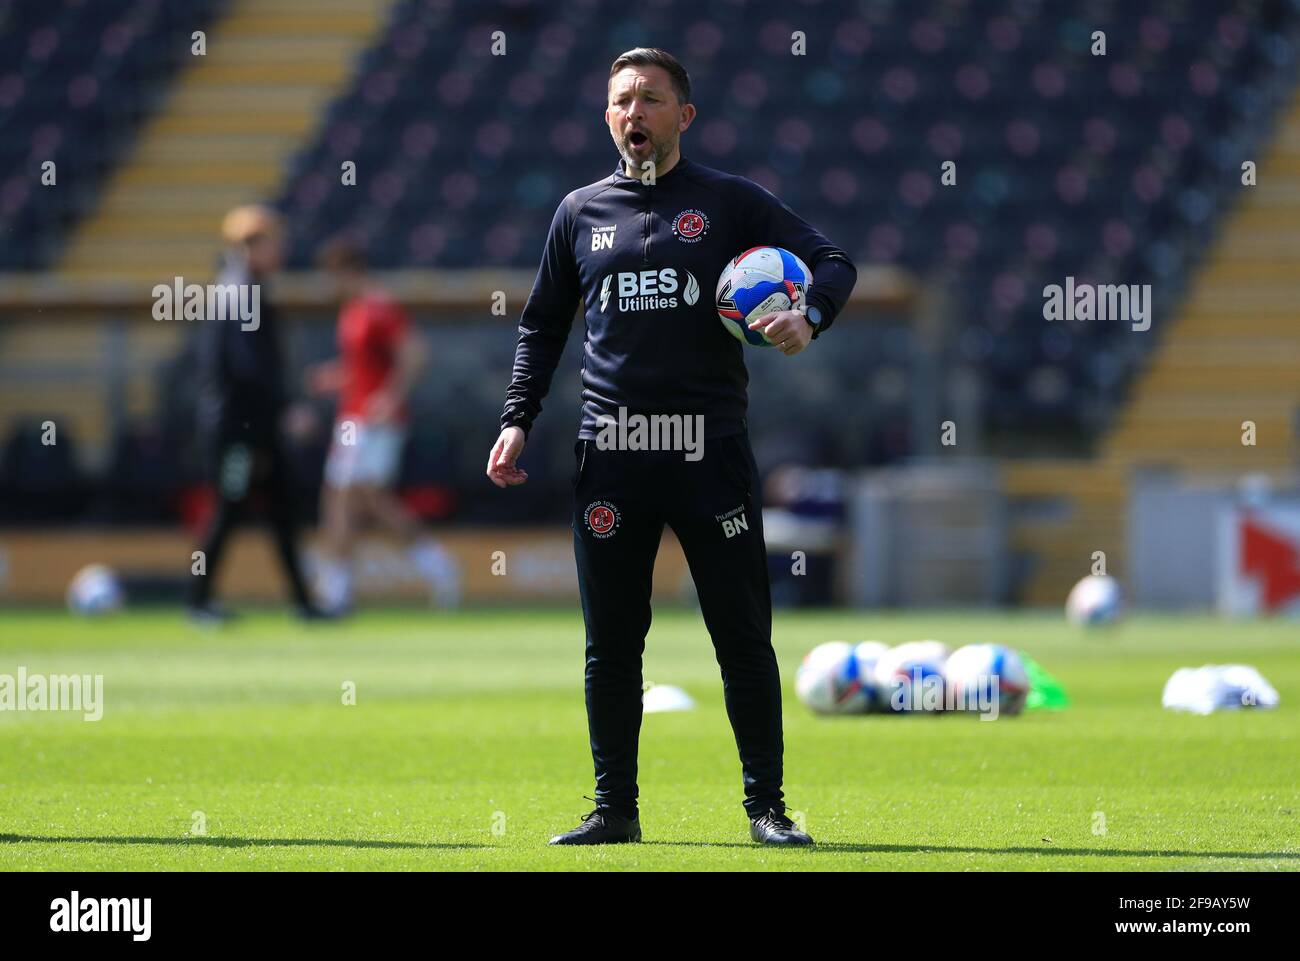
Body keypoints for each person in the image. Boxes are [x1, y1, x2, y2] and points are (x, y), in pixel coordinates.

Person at [486, 48, 857, 845]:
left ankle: (768, 809)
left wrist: (810, 315)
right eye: (622, 100)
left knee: (741, 636)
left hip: (708, 450)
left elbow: (834, 260)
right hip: (611, 450)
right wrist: (519, 415)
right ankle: (614, 809)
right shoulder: (579, 212)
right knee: (611, 643)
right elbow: (542, 323)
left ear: (683, 116)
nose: (635, 113)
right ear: (607, 115)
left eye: (651, 99)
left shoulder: (730, 204)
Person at [306, 236, 459, 613]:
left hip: (372, 420)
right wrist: (337, 378)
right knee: (362, 499)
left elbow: (414, 351)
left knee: (344, 497)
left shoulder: (378, 307)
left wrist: (391, 396)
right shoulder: (354, 311)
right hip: (353, 417)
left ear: (346, 270)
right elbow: (365, 369)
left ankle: (337, 591)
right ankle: (431, 565)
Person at [189, 205, 326, 622]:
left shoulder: (241, 288)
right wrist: (287, 409)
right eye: (273, 242)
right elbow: (249, 368)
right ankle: (197, 601)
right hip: (238, 430)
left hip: (256, 426)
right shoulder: (239, 293)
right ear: (251, 245)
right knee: (230, 507)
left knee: (282, 512)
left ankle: (304, 604)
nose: (280, 250)